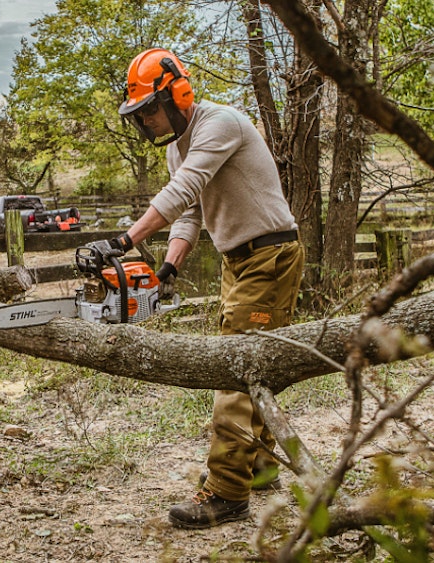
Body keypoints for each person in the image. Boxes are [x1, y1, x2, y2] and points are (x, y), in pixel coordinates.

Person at [88, 48, 305, 529]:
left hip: (270, 255)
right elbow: (190, 213)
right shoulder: (175, 148)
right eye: (139, 114)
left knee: (234, 369)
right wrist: (166, 270)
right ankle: (260, 465)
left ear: (177, 95)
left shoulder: (220, 123)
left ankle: (227, 493)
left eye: (149, 109)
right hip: (239, 260)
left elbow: (184, 189)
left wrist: (124, 241)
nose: (146, 120)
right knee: (256, 366)